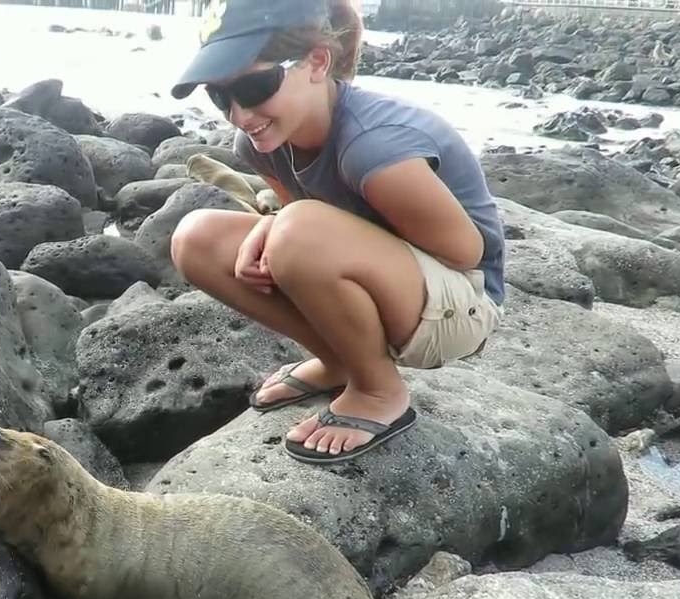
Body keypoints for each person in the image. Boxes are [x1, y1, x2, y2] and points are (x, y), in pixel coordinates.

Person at [168, 0, 506, 464]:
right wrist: (275, 226)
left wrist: (291, 227)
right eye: (220, 96)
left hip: (460, 303)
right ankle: (339, 360)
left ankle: (377, 391)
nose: (240, 114)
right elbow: (302, 221)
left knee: (297, 231)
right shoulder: (260, 142)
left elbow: (468, 251)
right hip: (387, 284)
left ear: (317, 62)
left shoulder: (372, 146)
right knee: (196, 239)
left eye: (254, 86)